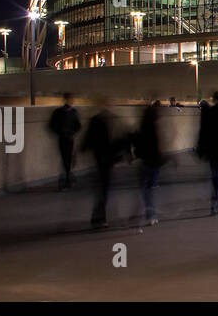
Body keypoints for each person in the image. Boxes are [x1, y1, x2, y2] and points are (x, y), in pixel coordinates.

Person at [80, 97, 124, 228]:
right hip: (104, 158)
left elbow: (88, 139)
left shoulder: (98, 120)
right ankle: (100, 217)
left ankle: (98, 216)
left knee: (103, 188)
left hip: (103, 158)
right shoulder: (107, 120)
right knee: (104, 188)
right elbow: (118, 138)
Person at [133, 99, 167, 225]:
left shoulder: (143, 128)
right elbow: (158, 146)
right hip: (154, 161)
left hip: (145, 161)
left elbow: (138, 143)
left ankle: (148, 214)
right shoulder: (154, 127)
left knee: (146, 189)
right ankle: (150, 214)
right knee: (150, 189)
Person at [47, 93, 81, 190]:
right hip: (65, 137)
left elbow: (78, 125)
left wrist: (65, 132)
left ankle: (67, 178)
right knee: (66, 158)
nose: (72, 101)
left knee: (67, 158)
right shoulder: (69, 112)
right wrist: (67, 132)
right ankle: (67, 178)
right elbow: (78, 125)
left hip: (67, 137)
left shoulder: (64, 112)